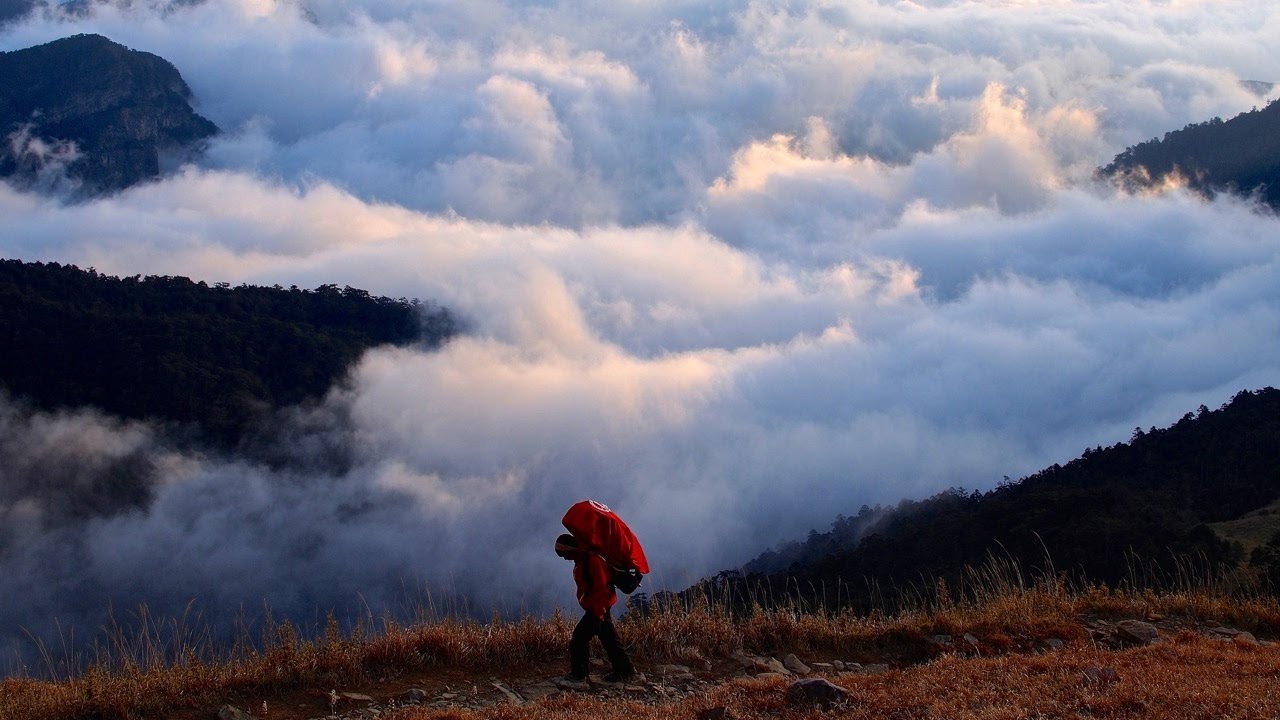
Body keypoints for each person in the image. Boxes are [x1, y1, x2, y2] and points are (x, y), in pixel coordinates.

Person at [555, 533, 637, 685]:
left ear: (571, 550)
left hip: (598, 607)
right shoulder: (583, 559)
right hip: (599, 606)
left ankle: (579, 675)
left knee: (579, 639)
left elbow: (602, 588)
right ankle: (625, 671)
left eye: (564, 555)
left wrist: (599, 612)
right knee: (609, 638)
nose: (565, 559)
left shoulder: (592, 560)